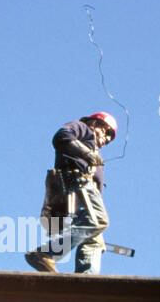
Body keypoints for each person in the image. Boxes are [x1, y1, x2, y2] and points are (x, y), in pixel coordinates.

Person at [25, 111, 116, 273]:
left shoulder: (96, 151)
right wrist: (85, 152)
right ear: (95, 123)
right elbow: (62, 136)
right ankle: (46, 253)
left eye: (110, 138)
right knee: (97, 221)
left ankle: (87, 283)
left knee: (95, 241)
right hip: (77, 183)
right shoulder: (83, 129)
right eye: (108, 132)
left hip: (85, 193)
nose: (107, 139)